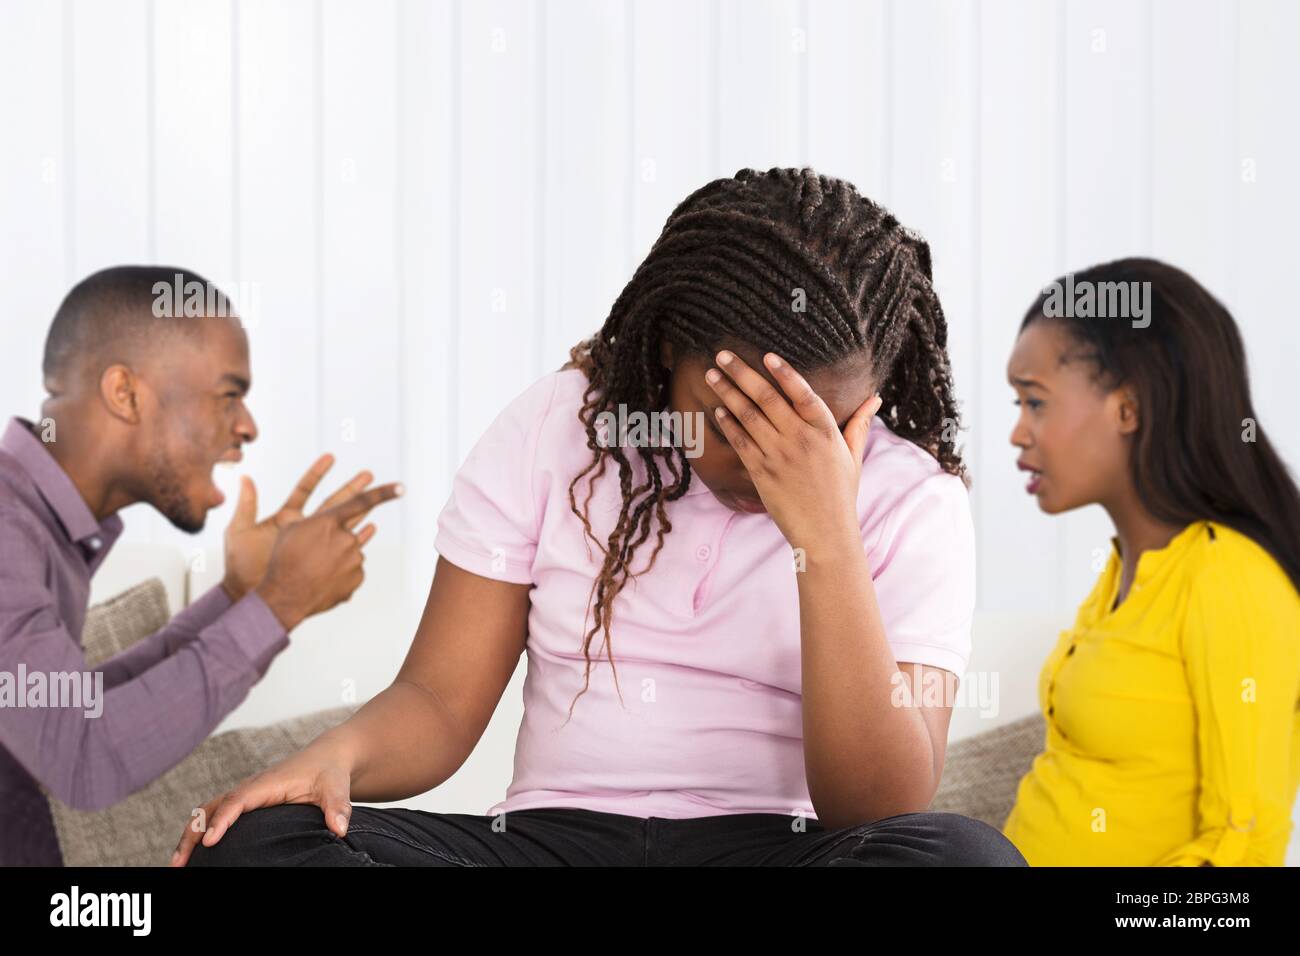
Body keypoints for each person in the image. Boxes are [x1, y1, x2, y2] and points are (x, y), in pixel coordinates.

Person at [175, 168, 1026, 866]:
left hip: (784, 851)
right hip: (550, 844)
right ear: (665, 349)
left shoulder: (913, 498)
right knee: (257, 846)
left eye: (816, 429)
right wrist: (340, 757)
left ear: (869, 404)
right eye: (734, 419)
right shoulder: (559, 426)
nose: (771, 462)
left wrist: (827, 540)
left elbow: (875, 807)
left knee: (964, 862)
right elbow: (438, 699)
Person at [0, 265, 401, 866]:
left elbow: (62, 710)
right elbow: (80, 755)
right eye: (228, 394)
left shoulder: (37, 527)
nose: (248, 426)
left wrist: (244, 594)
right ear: (126, 393)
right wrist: (279, 604)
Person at [1001, 257, 1300, 866]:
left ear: (1128, 410)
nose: (1017, 433)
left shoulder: (1229, 579)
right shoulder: (1123, 568)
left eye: (1035, 403)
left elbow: (1241, 845)